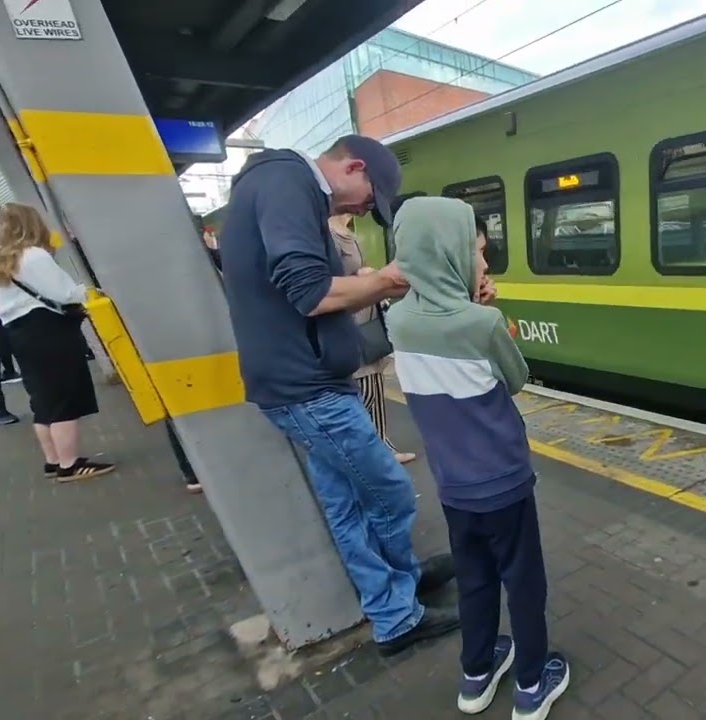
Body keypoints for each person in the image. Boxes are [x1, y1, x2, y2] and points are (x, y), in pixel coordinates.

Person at [216, 134, 460, 657]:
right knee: (390, 493)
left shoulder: (282, 185)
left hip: (309, 381)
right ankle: (397, 613)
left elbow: (305, 286)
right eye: (371, 199)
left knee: (347, 502)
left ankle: (397, 590)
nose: (365, 210)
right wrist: (388, 280)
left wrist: (374, 282)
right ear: (354, 167)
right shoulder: (287, 181)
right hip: (306, 388)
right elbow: (311, 294)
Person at [387, 196, 568, 719]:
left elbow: (436, 324)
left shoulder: (398, 320)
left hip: (452, 484)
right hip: (504, 482)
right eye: (477, 252)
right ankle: (531, 685)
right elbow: (516, 379)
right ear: (447, 254)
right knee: (523, 581)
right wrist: (487, 310)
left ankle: (476, 676)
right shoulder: (481, 323)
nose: (484, 264)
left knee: (475, 577)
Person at [0, 203, 115, 480]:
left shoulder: (4, 261)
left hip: (18, 332)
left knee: (43, 400)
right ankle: (69, 465)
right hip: (48, 330)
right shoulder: (32, 255)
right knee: (63, 398)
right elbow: (65, 293)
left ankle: (53, 461)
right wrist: (91, 291)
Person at [328, 212, 416, 465]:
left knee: (371, 382)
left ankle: (376, 447)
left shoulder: (345, 232)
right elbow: (326, 282)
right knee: (366, 384)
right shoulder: (330, 235)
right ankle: (376, 451)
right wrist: (362, 278)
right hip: (352, 322)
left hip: (365, 319)